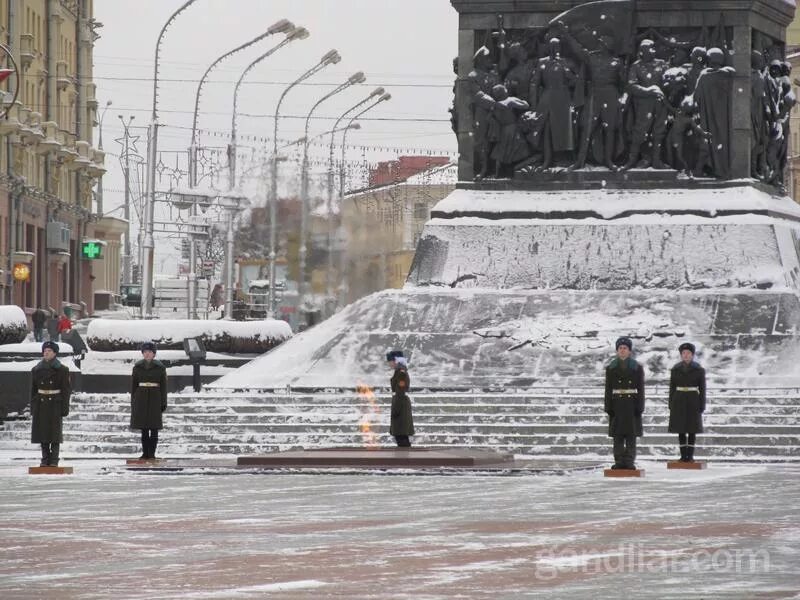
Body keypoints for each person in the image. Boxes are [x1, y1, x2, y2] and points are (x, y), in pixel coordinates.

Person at [604, 337, 645, 470]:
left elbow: (641, 388)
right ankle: (619, 461)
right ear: (617, 350)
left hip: (632, 403)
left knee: (631, 435)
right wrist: (608, 406)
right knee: (618, 435)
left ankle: (629, 461)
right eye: (620, 348)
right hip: (617, 403)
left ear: (629, 351)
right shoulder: (611, 368)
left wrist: (640, 406)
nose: (622, 350)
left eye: (625, 348)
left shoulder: (637, 367)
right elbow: (608, 389)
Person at [30, 341, 71, 467]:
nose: (46, 353)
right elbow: (33, 390)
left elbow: (66, 390)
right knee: (42, 432)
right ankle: (45, 458)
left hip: (55, 403)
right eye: (45, 351)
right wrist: (33, 407)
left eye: (49, 351)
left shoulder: (62, 370)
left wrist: (64, 408)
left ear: (54, 353)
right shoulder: (37, 369)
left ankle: (54, 459)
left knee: (54, 433)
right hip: (41, 403)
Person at [668, 342, 706, 462]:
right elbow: (672, 388)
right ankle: (683, 455)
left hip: (693, 400)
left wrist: (702, 404)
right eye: (683, 353)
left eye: (688, 353)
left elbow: (702, 389)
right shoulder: (675, 369)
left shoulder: (699, 369)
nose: (686, 355)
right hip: (678, 400)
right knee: (681, 429)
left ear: (692, 355)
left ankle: (690, 456)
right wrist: (670, 403)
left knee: (692, 429)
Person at [130, 341, 168, 460]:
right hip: (141, 397)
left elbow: (163, 387)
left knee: (154, 427)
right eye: (145, 352)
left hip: (155, 397)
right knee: (144, 428)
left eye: (150, 352)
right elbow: (134, 385)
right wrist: (133, 401)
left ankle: (152, 453)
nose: (147, 354)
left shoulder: (160, 368)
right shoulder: (137, 367)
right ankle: (145, 453)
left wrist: (163, 402)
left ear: (154, 354)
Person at [386, 349, 414, 448]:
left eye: (390, 361)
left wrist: (395, 410)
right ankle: (404, 459)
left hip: (401, 405)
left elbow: (400, 392)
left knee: (401, 436)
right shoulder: (399, 371)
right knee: (401, 435)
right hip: (400, 403)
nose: (389, 364)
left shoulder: (401, 373)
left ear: (395, 360)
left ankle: (405, 460)